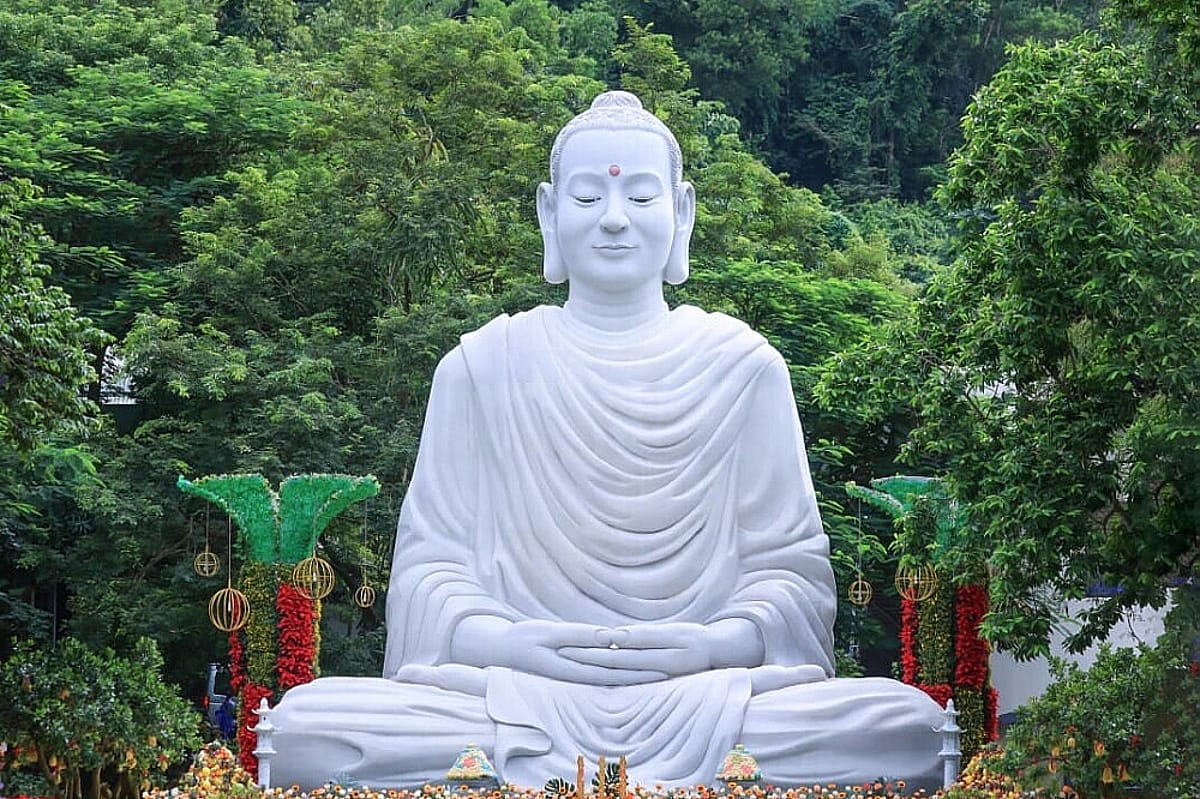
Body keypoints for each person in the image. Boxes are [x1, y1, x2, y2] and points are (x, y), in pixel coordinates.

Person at [269, 91, 943, 789]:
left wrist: (710, 644)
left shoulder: (744, 368)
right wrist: (515, 641)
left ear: (682, 213)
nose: (615, 219)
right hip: (515, 694)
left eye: (642, 199)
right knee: (304, 726)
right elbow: (428, 575)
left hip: (703, 693)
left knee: (906, 726)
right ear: (548, 212)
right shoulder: (481, 366)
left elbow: (792, 576)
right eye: (587, 198)